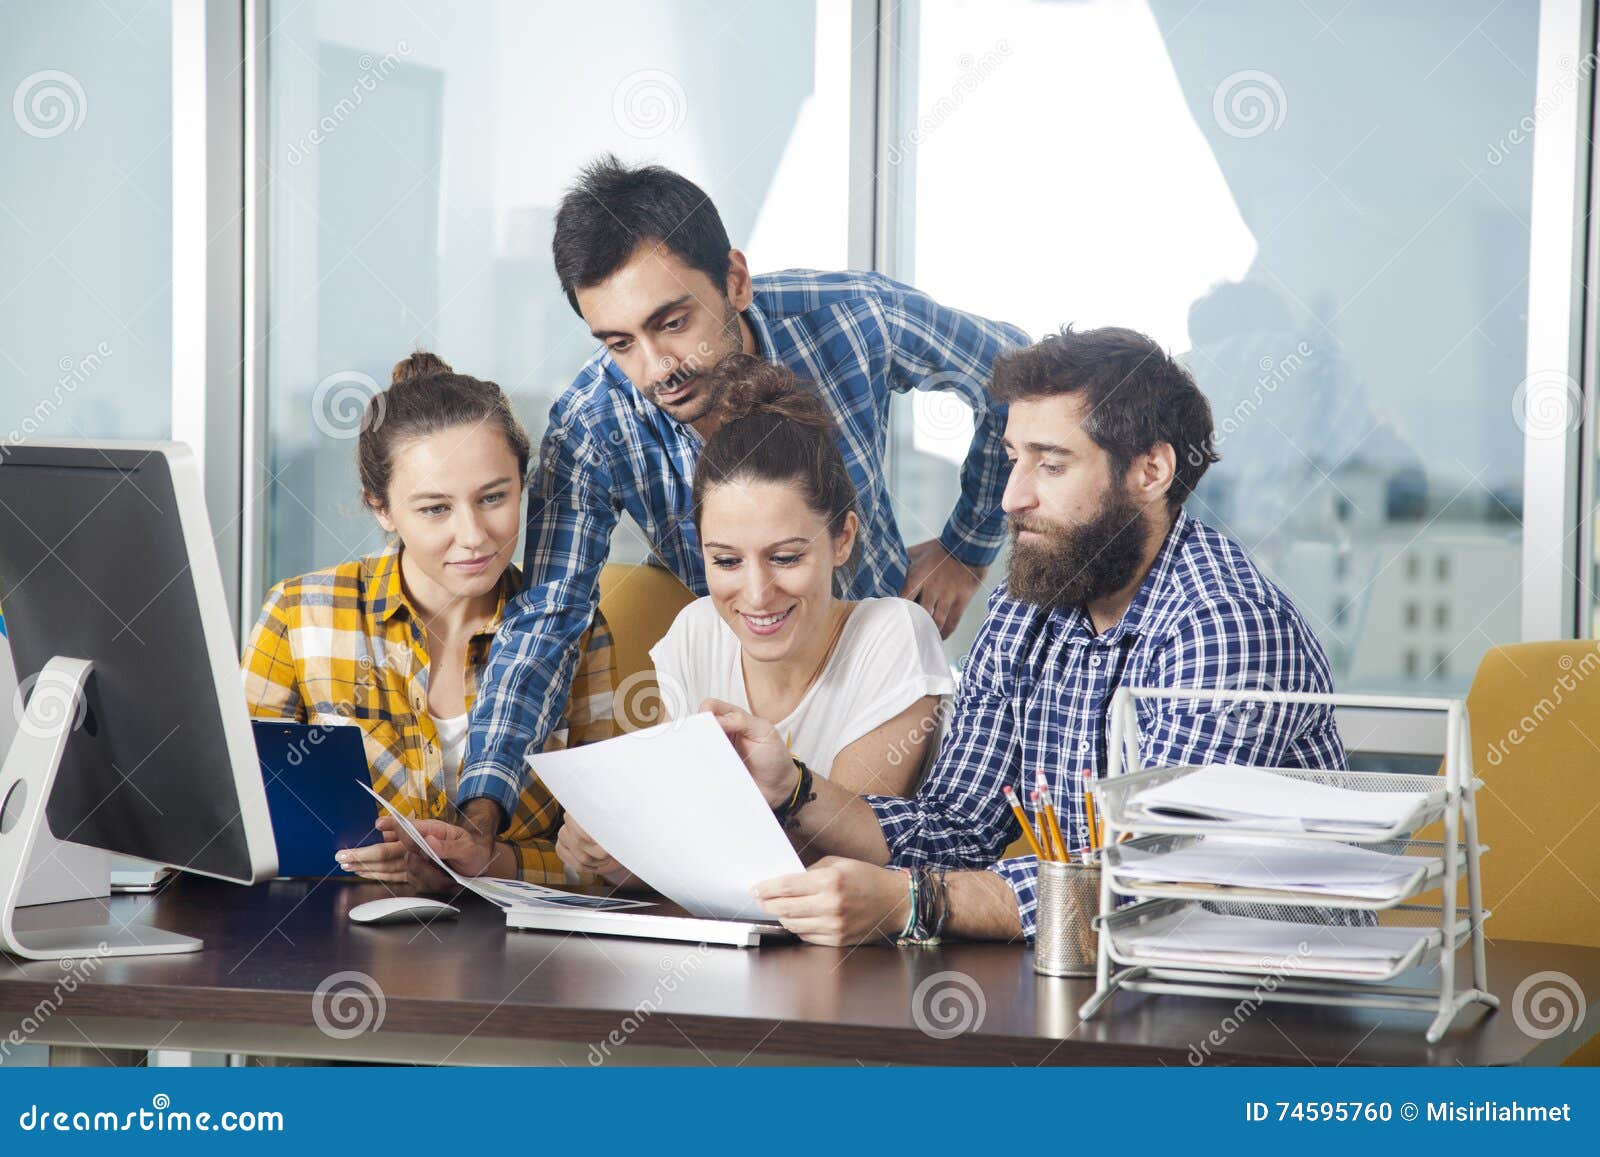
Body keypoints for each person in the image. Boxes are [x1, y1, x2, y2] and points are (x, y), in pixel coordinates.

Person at [452, 157, 1028, 864]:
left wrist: (967, 547)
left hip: (885, 709)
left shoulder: (854, 316)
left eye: (673, 322)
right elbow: (546, 620)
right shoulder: (592, 424)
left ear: (735, 280)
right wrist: (482, 814)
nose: (657, 367)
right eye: (619, 342)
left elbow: (1022, 376)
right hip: (751, 712)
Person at [706, 325, 1355, 945]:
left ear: (1151, 471)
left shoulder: (1222, 623)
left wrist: (914, 900)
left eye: (1050, 464)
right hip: (1101, 978)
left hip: (1266, 999)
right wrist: (791, 786)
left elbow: (1145, 884)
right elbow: (955, 829)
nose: (1012, 497)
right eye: (1015, 459)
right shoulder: (1031, 602)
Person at [554, 357, 956, 886]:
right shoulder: (695, 634)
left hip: (857, 956)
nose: (757, 594)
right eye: (725, 561)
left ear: (843, 539)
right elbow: (675, 844)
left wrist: (659, 846)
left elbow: (841, 856)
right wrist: (612, 852)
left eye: (786, 557)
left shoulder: (893, 634)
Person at [241, 352, 615, 889]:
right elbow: (239, 820)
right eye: (435, 509)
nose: (473, 535)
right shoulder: (300, 615)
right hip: (334, 940)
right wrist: (357, 858)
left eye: (494, 497)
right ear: (382, 509)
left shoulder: (575, 631)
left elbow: (606, 861)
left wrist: (484, 864)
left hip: (514, 955)